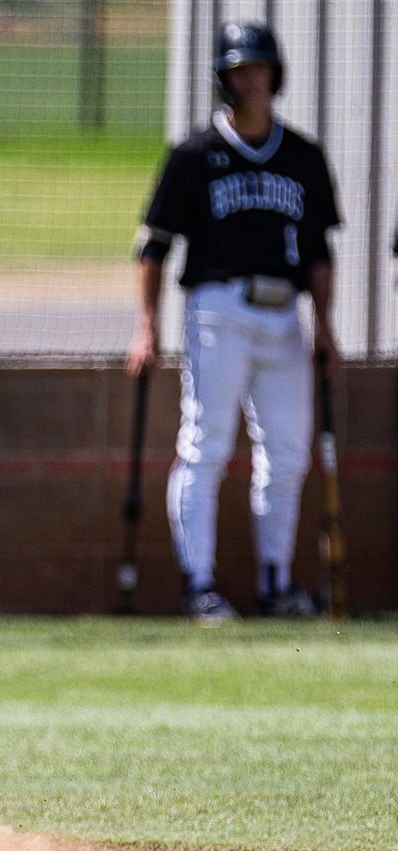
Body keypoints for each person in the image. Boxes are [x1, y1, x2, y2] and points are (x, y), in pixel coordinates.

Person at [126, 22, 341, 625]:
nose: (252, 81)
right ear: (223, 79)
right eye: (241, 70)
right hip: (218, 311)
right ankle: (200, 584)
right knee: (206, 445)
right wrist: (147, 325)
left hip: (285, 317)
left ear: (276, 74)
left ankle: (275, 583)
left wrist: (326, 326)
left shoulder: (303, 156)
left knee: (289, 451)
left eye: (260, 68)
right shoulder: (194, 156)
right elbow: (153, 246)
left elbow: (319, 252)